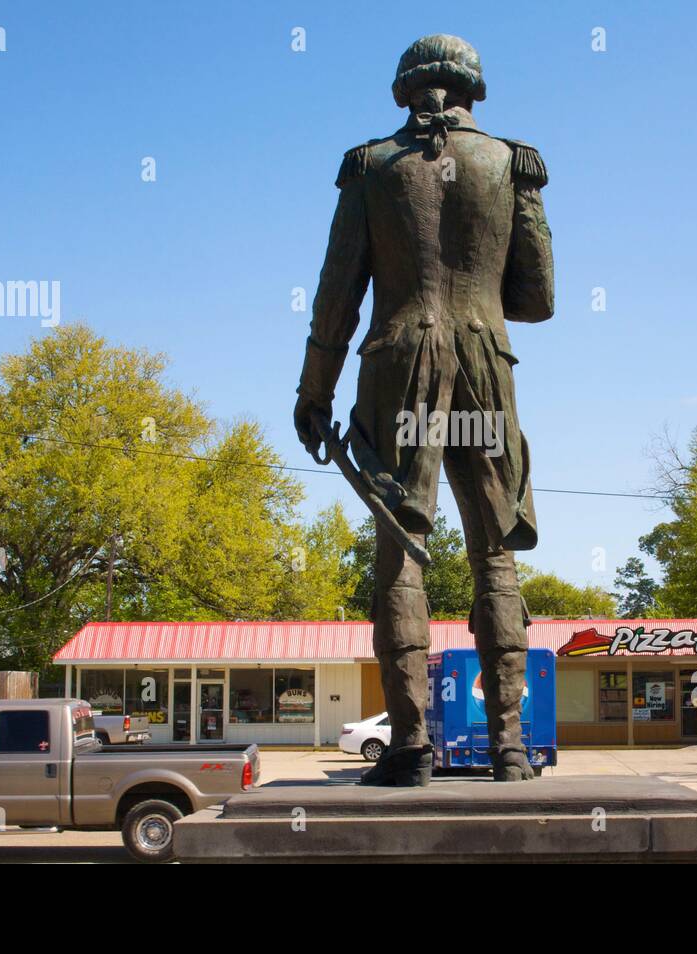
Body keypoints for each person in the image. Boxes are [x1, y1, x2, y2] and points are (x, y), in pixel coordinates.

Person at [293, 35, 554, 786]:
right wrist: (526, 198)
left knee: (399, 551)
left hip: (398, 366)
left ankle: (409, 748)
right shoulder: (510, 162)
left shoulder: (371, 166)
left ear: (404, 89)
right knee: (494, 556)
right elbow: (535, 302)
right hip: (483, 366)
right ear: (474, 86)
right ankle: (509, 748)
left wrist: (314, 391)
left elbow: (337, 295)